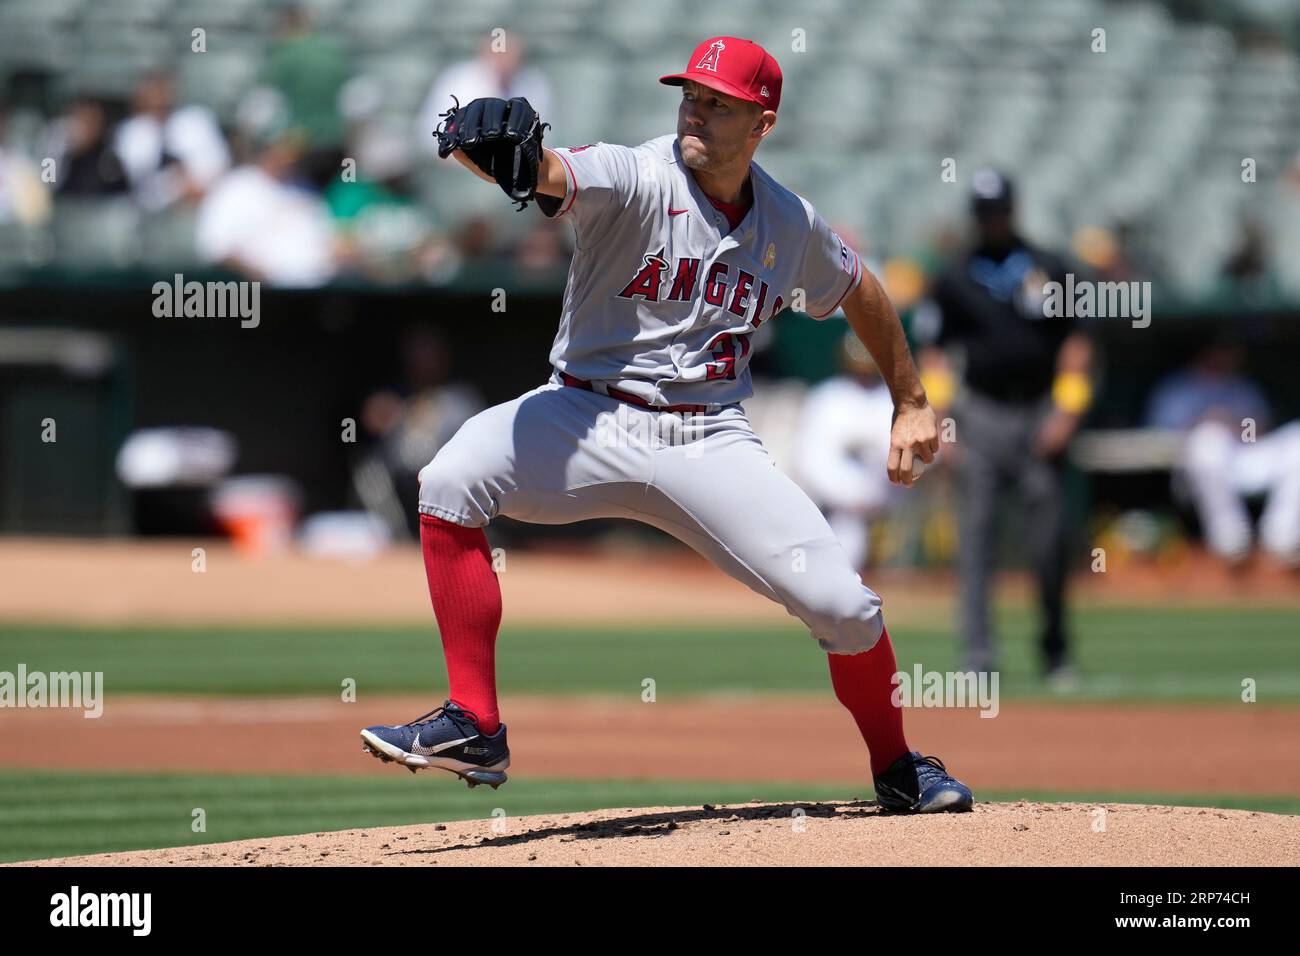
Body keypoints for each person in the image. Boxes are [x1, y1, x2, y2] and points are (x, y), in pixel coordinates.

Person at [359, 36, 973, 814]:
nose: (697, 111)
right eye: (691, 95)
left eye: (720, 103)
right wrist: (496, 160)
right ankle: (475, 722)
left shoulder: (787, 221)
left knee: (847, 609)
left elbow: (860, 288)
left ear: (762, 122)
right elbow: (547, 173)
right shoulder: (639, 172)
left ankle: (898, 767)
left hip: (708, 436)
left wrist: (912, 400)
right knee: (449, 479)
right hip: (585, 412)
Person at [917, 170, 1093, 687]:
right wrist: (943, 423)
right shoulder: (953, 275)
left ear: (1013, 210)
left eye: (998, 209)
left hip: (1040, 410)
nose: (990, 219)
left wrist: (1066, 410)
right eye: (982, 211)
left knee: (1048, 543)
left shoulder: (1049, 267)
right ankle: (978, 656)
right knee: (975, 540)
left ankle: (1056, 651)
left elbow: (1077, 345)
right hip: (983, 415)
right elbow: (935, 352)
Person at [1146, 340, 1300, 568]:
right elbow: (1160, 435)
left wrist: (1233, 424)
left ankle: (1282, 540)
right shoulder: (1177, 389)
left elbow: (1262, 429)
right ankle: (1231, 543)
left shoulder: (1242, 387)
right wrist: (1207, 421)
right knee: (1209, 439)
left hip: (1246, 455)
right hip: (1196, 466)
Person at [793, 331, 897, 572]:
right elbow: (808, 459)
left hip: (888, 514)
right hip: (833, 512)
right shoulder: (826, 398)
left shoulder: (890, 401)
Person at [195, 125, 336, 286]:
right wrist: (261, 278)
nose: (291, 156)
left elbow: (327, 242)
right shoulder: (235, 187)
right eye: (285, 147)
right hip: (259, 294)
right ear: (268, 148)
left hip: (317, 291)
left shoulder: (307, 191)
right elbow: (218, 249)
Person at [415, 35, 553, 158]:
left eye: (509, 55)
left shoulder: (534, 82)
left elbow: (545, 136)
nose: (504, 61)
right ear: (483, 55)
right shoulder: (457, 80)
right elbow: (433, 135)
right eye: (498, 55)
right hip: (462, 166)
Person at [113, 70, 230, 211]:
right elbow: (133, 181)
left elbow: (218, 167)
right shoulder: (130, 132)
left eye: (163, 91)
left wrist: (190, 186)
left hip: (197, 204)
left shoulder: (196, 120)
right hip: (148, 211)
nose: (159, 98)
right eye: (153, 92)